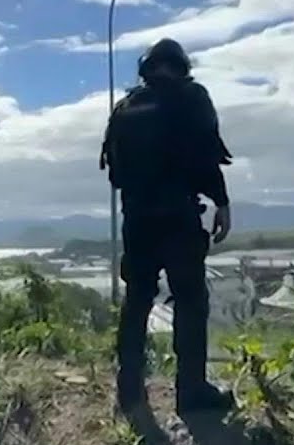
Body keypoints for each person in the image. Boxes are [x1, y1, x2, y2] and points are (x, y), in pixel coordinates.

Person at [99, 37, 236, 414]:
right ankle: (191, 393)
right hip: (178, 219)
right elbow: (206, 156)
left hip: (137, 221)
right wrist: (221, 203)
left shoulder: (125, 109)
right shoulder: (192, 99)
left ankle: (129, 392)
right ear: (182, 66)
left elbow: (116, 175)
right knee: (191, 302)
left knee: (137, 300)